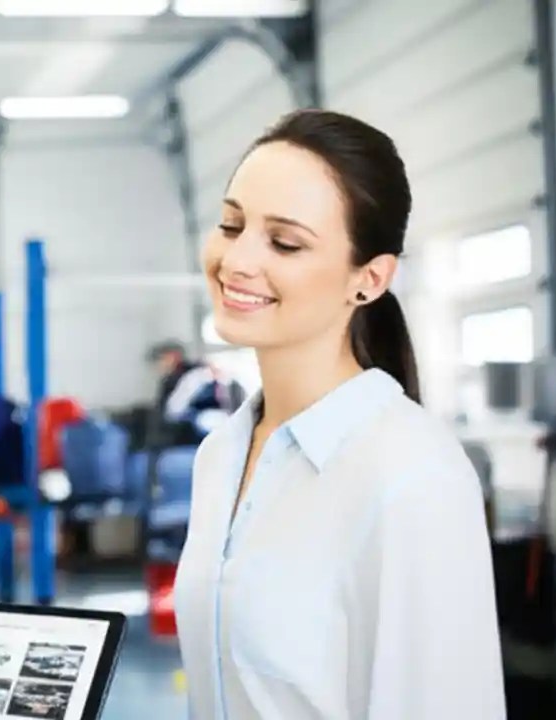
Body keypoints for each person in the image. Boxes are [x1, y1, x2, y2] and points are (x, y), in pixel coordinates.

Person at [173, 108, 505, 719]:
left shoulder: (412, 473)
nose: (237, 260)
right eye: (230, 224)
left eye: (285, 242)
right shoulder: (219, 456)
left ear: (370, 279)